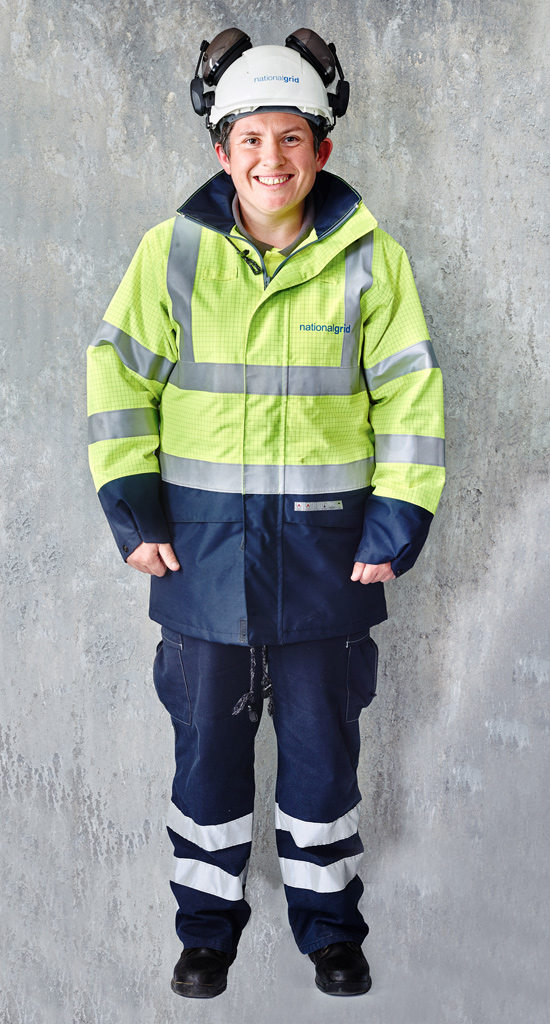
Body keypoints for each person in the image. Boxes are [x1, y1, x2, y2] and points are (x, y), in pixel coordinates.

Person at [87, 27, 444, 999]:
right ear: (220, 150)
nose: (270, 160)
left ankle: (330, 931)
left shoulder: (371, 260)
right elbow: (118, 381)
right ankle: (206, 932)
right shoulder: (171, 254)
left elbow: (410, 396)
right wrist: (132, 508)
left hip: (328, 558)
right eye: (250, 140)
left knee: (324, 765)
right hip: (198, 559)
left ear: (322, 148)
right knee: (206, 759)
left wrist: (394, 523)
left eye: (290, 139)